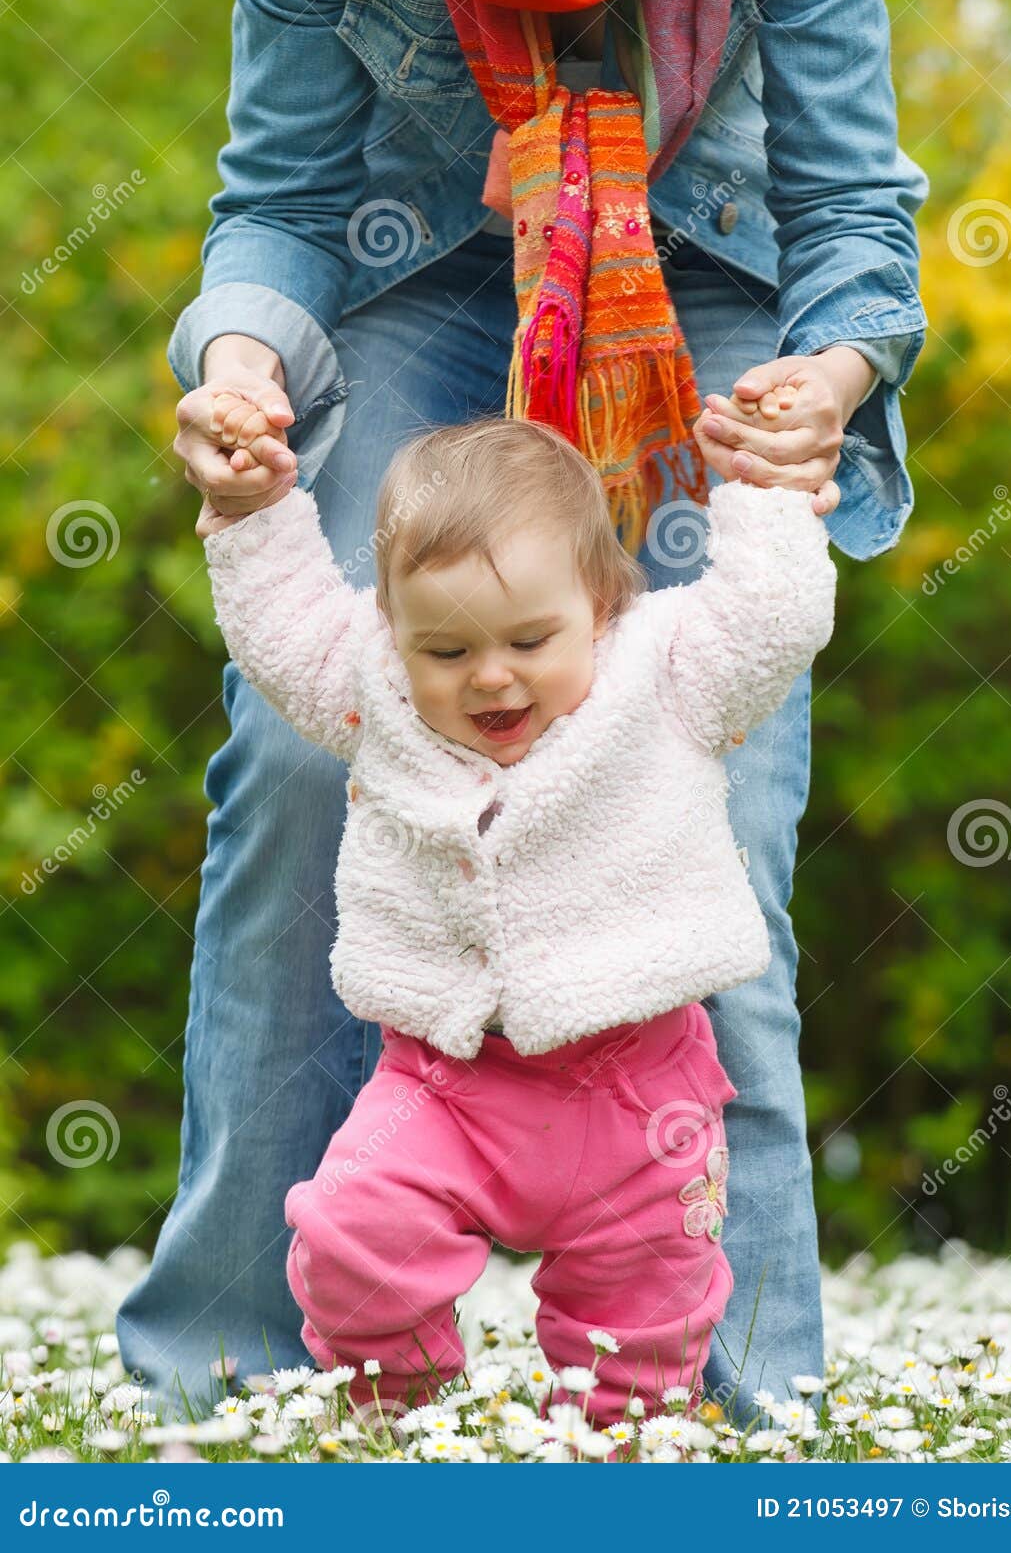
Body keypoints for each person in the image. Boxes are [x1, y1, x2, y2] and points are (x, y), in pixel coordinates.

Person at [117, 0, 928, 1422]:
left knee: (710, 781)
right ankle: (234, 1377)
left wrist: (826, 382)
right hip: (414, 280)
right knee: (306, 753)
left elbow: (846, 212)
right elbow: (279, 205)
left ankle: (730, 1404)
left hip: (709, 289)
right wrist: (234, 371)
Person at [197, 412, 837, 1429]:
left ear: (598, 605)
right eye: (444, 648)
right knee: (349, 1238)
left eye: (528, 641)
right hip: (443, 1082)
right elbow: (283, 629)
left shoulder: (664, 674)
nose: (489, 676)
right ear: (392, 634)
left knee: (640, 1333)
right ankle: (398, 1417)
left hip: (638, 1094)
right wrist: (248, 514)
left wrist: (763, 495)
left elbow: (771, 621)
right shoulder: (381, 693)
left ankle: (609, 1466)